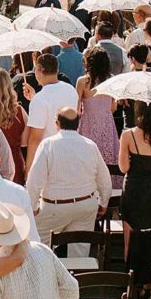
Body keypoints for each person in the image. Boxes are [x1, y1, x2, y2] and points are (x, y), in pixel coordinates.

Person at [29, 107, 113, 251]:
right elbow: (105, 180)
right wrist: (103, 203)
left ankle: (45, 271)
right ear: (78, 123)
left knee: (39, 247)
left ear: (57, 123)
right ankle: (78, 272)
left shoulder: (48, 145)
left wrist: (33, 206)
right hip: (85, 204)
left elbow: (34, 181)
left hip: (55, 207)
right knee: (80, 251)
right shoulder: (90, 145)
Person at [116, 100, 151, 274]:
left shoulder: (128, 135)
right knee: (150, 239)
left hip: (133, 190)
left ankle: (130, 282)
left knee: (129, 241)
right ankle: (148, 282)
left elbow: (123, 168)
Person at [23, 53, 78, 172]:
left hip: (49, 157)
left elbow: (35, 139)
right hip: (71, 151)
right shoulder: (71, 89)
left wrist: (29, 170)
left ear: (38, 70)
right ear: (56, 69)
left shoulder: (40, 99)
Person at [74, 49, 119, 181]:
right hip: (107, 124)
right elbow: (113, 107)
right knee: (108, 159)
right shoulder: (111, 80)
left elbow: (76, 109)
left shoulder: (82, 81)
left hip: (88, 124)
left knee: (88, 161)